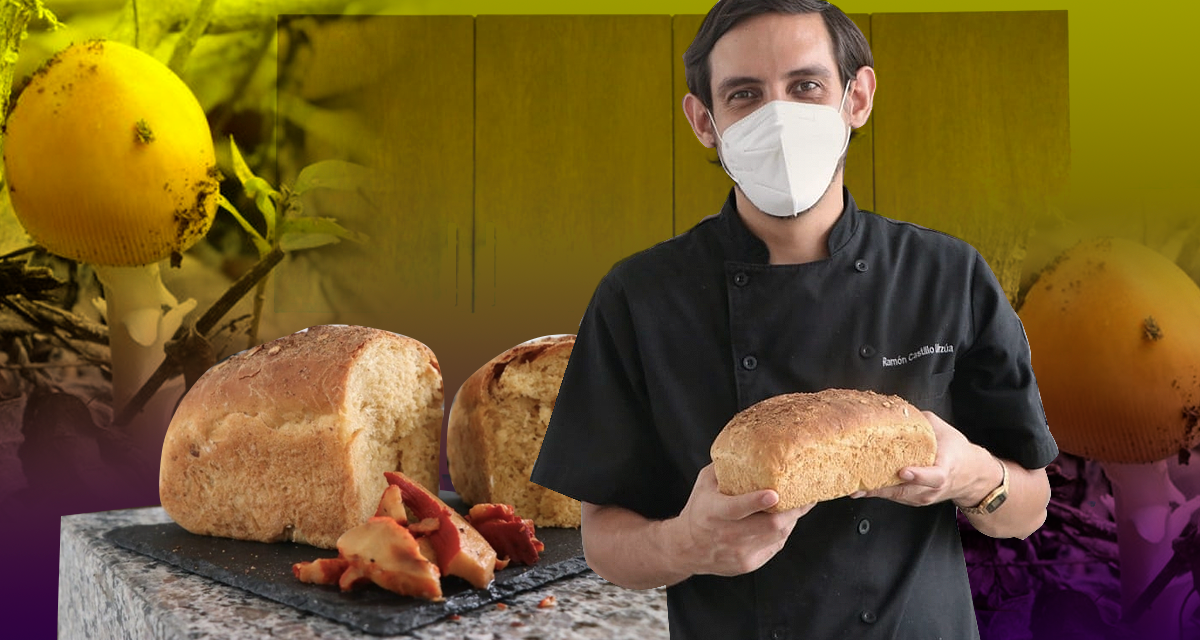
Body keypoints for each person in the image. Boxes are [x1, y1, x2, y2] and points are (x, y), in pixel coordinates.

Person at [530, 0, 1059, 638]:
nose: (778, 118)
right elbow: (603, 540)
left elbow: (1029, 506)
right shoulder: (639, 298)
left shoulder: (947, 274)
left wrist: (971, 473)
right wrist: (687, 544)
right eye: (745, 95)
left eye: (805, 86)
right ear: (704, 120)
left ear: (856, 97)